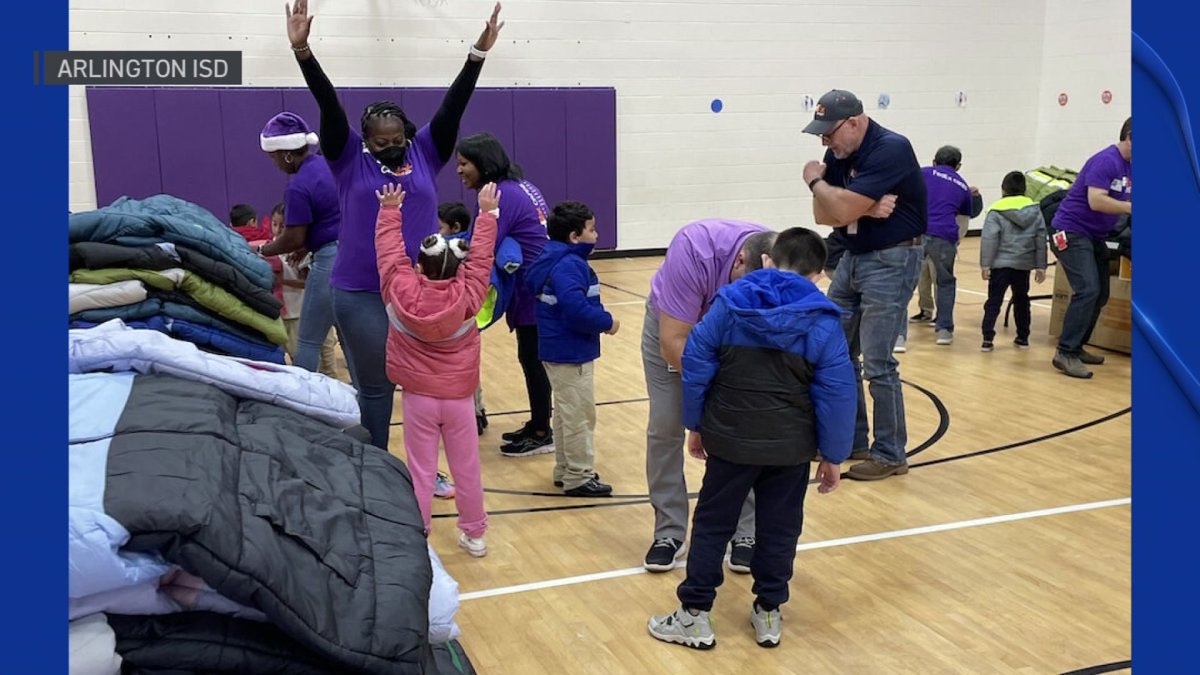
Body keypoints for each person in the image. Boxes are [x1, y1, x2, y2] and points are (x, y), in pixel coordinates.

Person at [286, 0, 504, 450]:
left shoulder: (426, 151)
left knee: (427, 387)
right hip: (361, 292)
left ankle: (425, 468)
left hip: (422, 293)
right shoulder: (348, 159)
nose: (391, 147)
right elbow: (329, 107)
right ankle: (377, 468)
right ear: (365, 142)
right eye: (380, 143)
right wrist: (303, 51)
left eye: (397, 140)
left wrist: (477, 55)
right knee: (376, 388)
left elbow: (452, 107)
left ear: (407, 134)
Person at [647, 227, 855, 650]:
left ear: (766, 260)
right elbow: (837, 391)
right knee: (780, 529)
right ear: (818, 275)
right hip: (791, 447)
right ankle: (769, 612)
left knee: (711, 524)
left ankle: (694, 616)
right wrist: (833, 455)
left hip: (730, 439)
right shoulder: (823, 319)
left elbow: (697, 364)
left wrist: (696, 425)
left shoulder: (727, 305)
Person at [801, 89, 926, 481]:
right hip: (853, 257)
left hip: (892, 259)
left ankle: (890, 453)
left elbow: (833, 206)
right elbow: (826, 217)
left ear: (854, 123)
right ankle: (852, 440)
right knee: (836, 352)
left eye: (829, 133)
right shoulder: (839, 154)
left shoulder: (890, 148)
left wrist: (814, 182)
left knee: (878, 362)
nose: (825, 143)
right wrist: (862, 205)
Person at [642, 219, 777, 574]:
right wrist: (703, 407)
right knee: (666, 426)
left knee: (740, 425)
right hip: (675, 330)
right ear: (740, 262)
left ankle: (744, 531)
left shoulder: (776, 260)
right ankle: (669, 531)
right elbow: (674, 343)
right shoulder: (694, 248)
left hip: (730, 333)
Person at [374, 182, 498, 556]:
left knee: (421, 470)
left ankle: (420, 533)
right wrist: (487, 214)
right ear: (460, 271)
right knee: (467, 468)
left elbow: (389, 255)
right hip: (459, 399)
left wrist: (389, 211)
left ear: (417, 268)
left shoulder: (398, 289)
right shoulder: (469, 295)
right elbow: (481, 262)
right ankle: (475, 535)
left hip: (418, 400)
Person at [454, 132, 554, 457]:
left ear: (483, 163)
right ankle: (540, 422)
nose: (459, 171)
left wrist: (440, 255)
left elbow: (481, 243)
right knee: (531, 357)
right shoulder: (519, 185)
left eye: (464, 164)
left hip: (534, 288)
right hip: (537, 283)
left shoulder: (499, 194)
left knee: (533, 358)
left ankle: (542, 431)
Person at [525, 201, 618, 497]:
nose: (597, 234)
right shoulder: (571, 265)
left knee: (567, 413)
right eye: (591, 229)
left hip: (556, 348)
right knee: (579, 414)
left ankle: (566, 469)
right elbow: (576, 310)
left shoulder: (552, 257)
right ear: (575, 237)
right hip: (571, 350)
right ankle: (579, 476)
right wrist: (607, 322)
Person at [257, 112, 343, 376]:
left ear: (286, 153)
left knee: (308, 338)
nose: (273, 164)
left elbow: (293, 237)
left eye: (272, 157)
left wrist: (263, 250)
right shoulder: (327, 167)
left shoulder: (298, 186)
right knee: (348, 334)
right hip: (353, 254)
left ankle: (303, 398)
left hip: (330, 259)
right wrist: (307, 246)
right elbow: (331, 217)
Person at [1049, 117, 1132, 379]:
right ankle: (1065, 352)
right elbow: (1096, 201)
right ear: (1130, 136)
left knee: (1100, 294)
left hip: (1094, 235)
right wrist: (1131, 208)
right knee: (1087, 289)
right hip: (1070, 231)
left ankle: (1077, 346)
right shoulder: (1106, 161)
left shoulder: (1132, 166)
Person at [897, 145, 983, 350]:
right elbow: (963, 220)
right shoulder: (962, 186)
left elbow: (903, 198)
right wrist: (955, 239)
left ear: (934, 161)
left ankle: (899, 336)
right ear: (958, 165)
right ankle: (944, 331)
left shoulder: (921, 173)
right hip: (944, 236)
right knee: (945, 283)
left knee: (904, 283)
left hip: (916, 232)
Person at [267, 203, 339, 376]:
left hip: (306, 309)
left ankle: (332, 382)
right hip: (287, 312)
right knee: (297, 354)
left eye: (283, 226)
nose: (277, 230)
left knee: (325, 351)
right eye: (274, 224)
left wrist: (282, 281)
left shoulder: (306, 249)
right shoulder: (272, 247)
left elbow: (308, 282)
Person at [979, 172, 1048, 352]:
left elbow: (989, 240)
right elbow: (1041, 239)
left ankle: (987, 338)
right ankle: (1023, 337)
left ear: (1003, 189)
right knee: (1022, 300)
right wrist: (1041, 266)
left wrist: (985, 265)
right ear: (1024, 189)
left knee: (994, 300)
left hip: (1000, 265)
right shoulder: (1034, 210)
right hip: (1022, 265)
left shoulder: (996, 210)